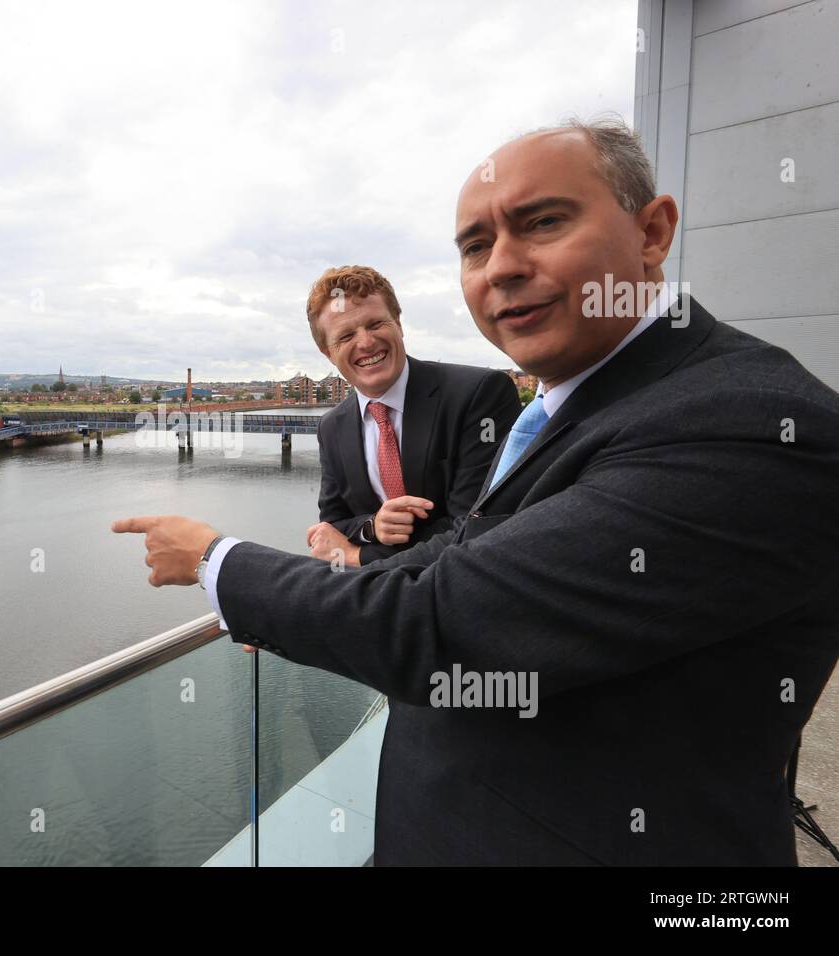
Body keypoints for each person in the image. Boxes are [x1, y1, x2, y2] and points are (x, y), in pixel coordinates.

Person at [112, 119, 839, 865]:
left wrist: (216, 561)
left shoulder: (750, 423)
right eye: (475, 246)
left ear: (652, 232)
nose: (502, 267)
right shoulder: (578, 402)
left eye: (545, 221)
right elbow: (460, 551)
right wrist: (356, 547)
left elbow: (446, 616)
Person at [305, 266, 520, 567]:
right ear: (328, 352)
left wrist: (360, 555)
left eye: (376, 324)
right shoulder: (332, 426)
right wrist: (372, 527)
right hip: (379, 605)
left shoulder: (479, 395)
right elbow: (334, 525)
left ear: (399, 324)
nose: (366, 342)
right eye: (346, 335)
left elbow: (476, 528)